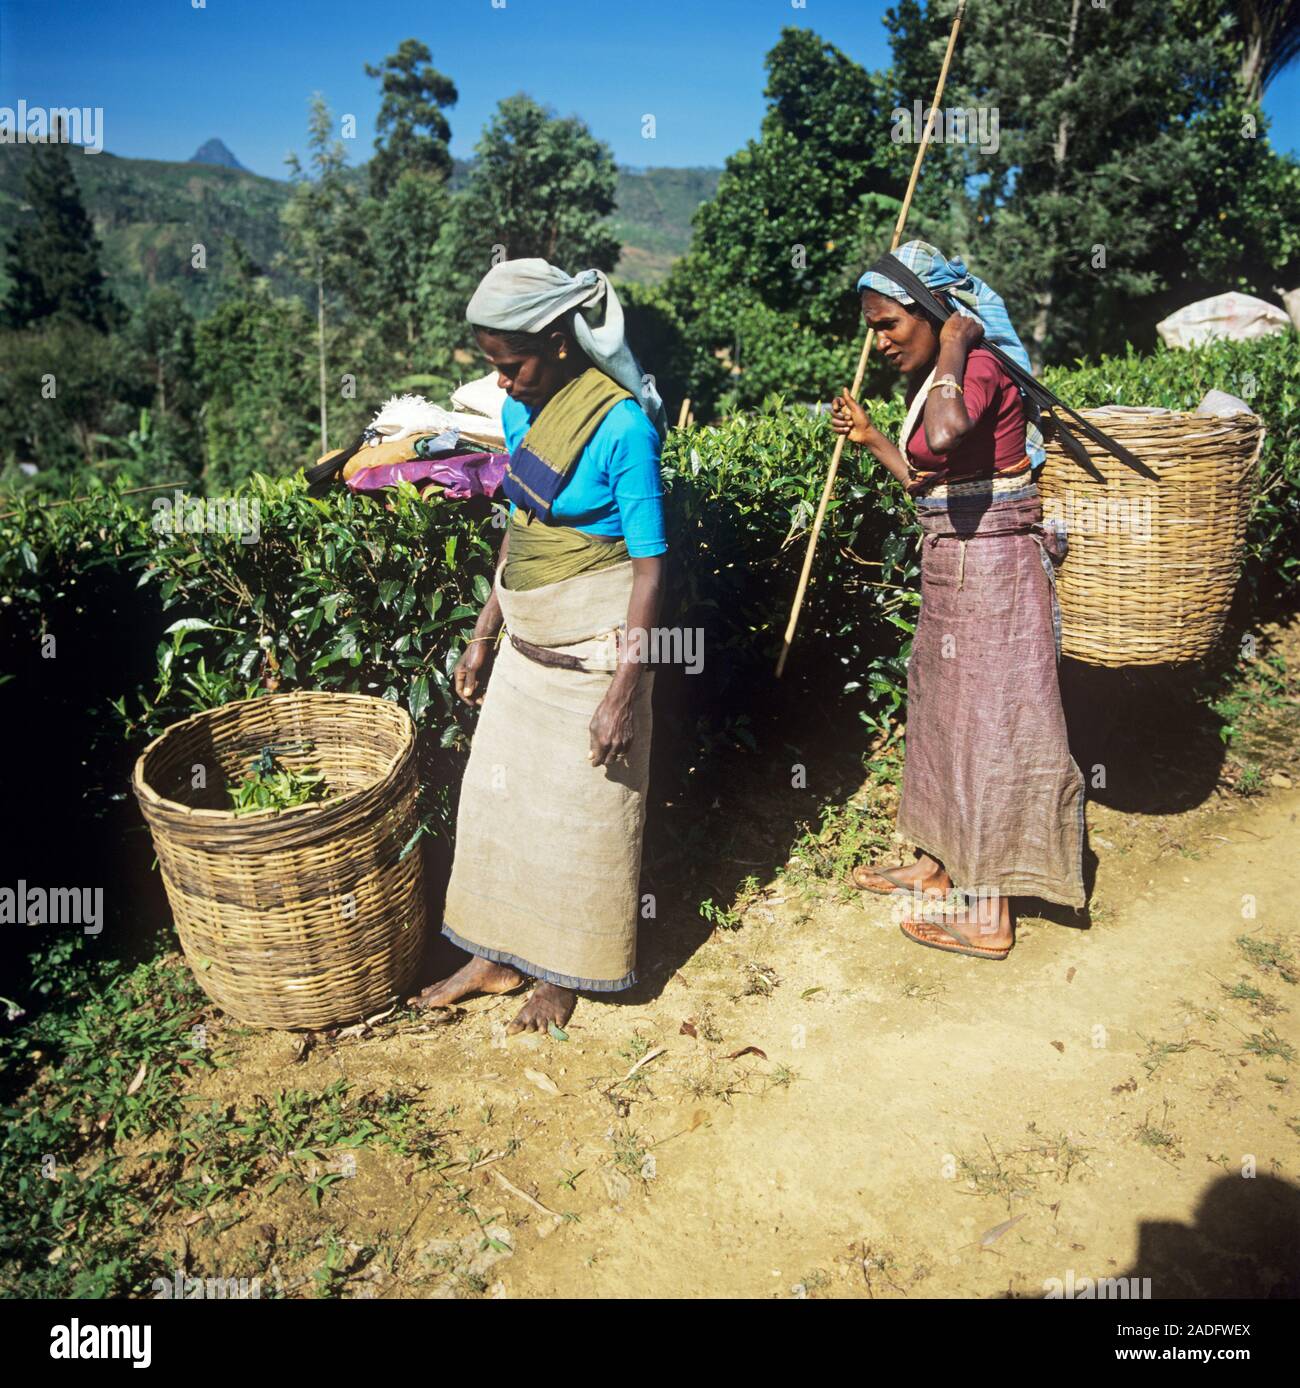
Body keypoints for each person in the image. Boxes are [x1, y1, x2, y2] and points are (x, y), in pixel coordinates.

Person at [410, 258, 667, 1031]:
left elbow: (652, 570)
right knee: (503, 808)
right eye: (492, 366)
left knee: (584, 823)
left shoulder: (621, 425)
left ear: (558, 342)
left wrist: (622, 693)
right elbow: (519, 531)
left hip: (596, 659)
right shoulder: (523, 414)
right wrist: (482, 638)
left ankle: (565, 973)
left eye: (510, 364)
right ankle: (495, 956)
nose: (503, 382)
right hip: (527, 649)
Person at [830, 240, 1085, 960]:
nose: (879, 342)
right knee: (941, 718)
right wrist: (872, 436)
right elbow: (924, 473)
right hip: (955, 568)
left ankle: (988, 909)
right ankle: (939, 864)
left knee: (988, 730)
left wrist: (954, 340)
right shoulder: (944, 376)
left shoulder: (970, 366)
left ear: (935, 315)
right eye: (873, 329)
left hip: (995, 575)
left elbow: (946, 429)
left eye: (888, 325)